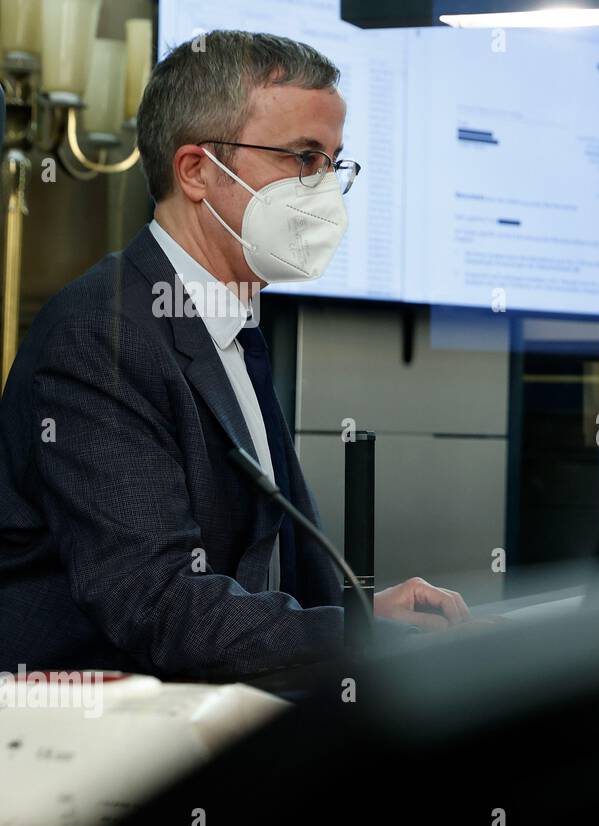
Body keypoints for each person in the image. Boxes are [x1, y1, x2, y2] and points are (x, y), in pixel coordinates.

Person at [0, 31, 469, 678]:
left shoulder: (232, 327)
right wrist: (360, 634)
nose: (326, 188)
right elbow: (157, 604)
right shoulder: (100, 336)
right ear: (195, 171)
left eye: (335, 162)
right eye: (303, 159)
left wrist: (368, 613)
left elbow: (273, 574)